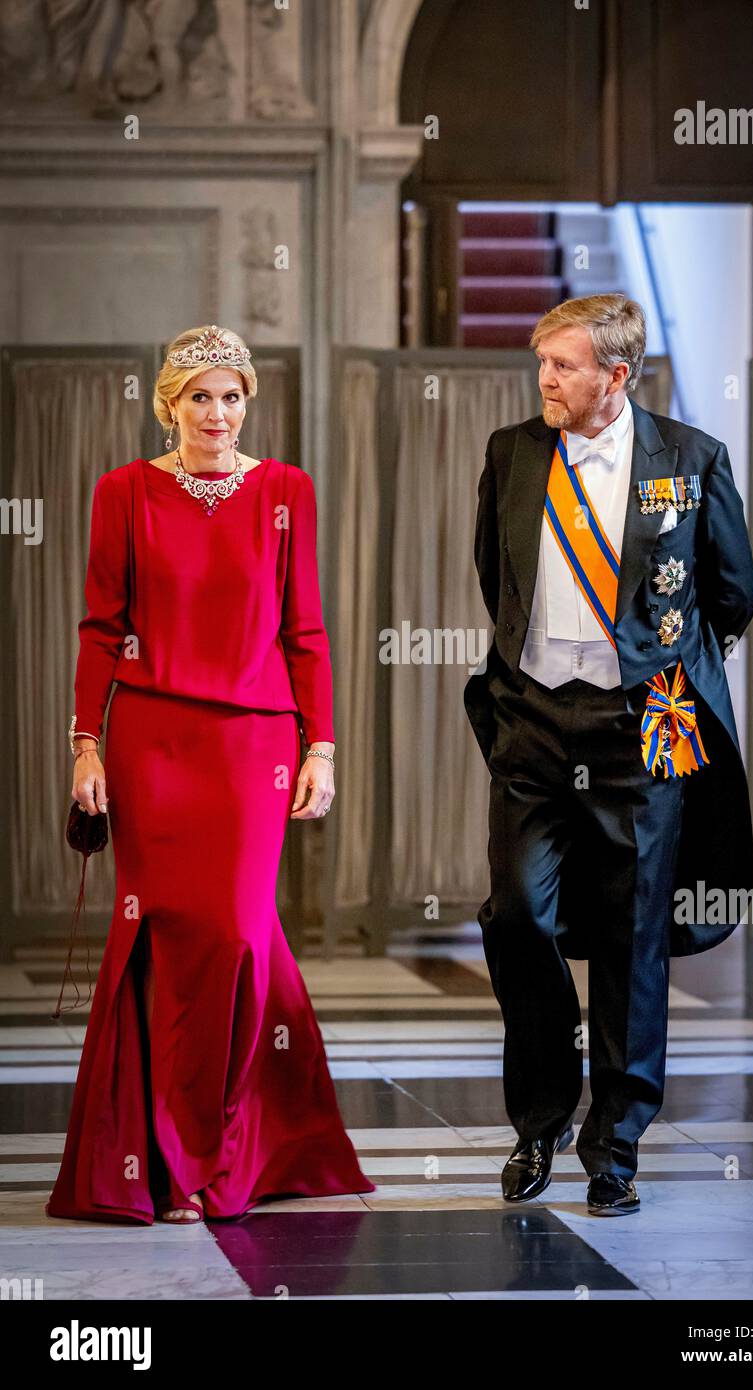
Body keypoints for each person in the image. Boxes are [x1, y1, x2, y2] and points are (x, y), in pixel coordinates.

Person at [46, 324, 375, 1225]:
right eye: (199, 397)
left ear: (247, 403)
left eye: (232, 396)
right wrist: (86, 744)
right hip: (151, 744)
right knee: (160, 936)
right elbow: (99, 629)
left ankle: (218, 1152)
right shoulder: (123, 493)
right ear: (169, 405)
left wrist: (322, 747)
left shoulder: (285, 493)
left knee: (236, 934)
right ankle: (156, 1160)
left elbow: (304, 629)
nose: (217, 414)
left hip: (254, 747)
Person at [464, 294, 753, 1214]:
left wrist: (658, 667)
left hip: (648, 717)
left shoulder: (692, 458)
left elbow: (732, 591)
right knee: (516, 914)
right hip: (535, 719)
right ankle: (541, 1116)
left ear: (615, 375)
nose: (544, 379)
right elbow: (495, 576)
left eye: (562, 365)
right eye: (542, 362)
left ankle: (616, 1145)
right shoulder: (512, 453)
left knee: (635, 936)